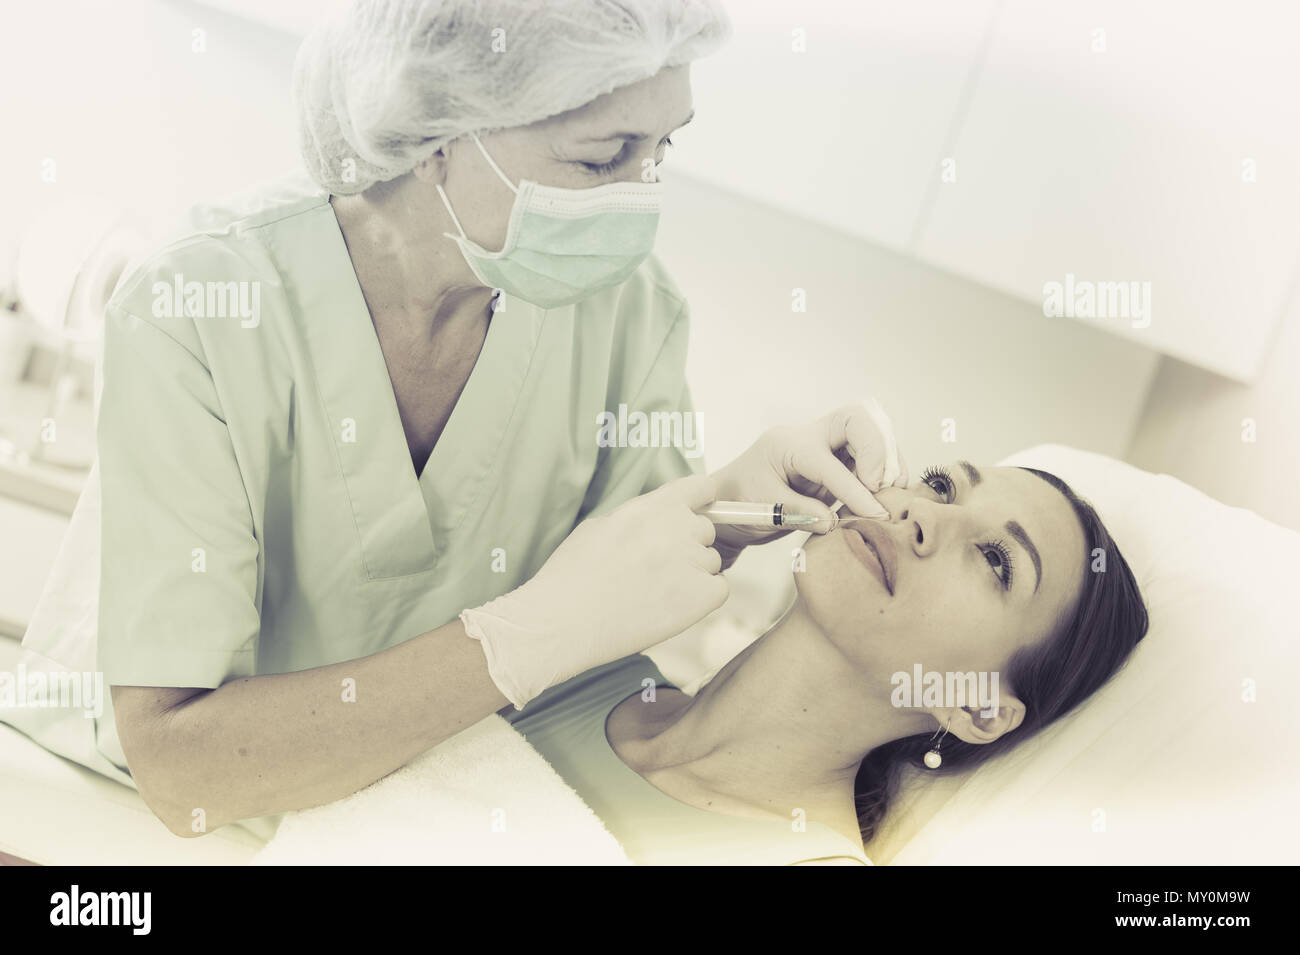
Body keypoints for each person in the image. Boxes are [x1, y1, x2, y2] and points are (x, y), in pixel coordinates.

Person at [9, 0, 908, 842]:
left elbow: (624, 607)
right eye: (603, 157)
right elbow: (181, 768)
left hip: (396, 824)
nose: (642, 195)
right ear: (437, 133)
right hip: (115, 820)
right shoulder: (200, 303)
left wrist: (736, 503)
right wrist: (517, 641)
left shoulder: (625, 311)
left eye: (662, 148)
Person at [501, 460, 1150, 864]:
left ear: (978, 706)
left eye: (995, 559)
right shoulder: (582, 660)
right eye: (943, 484)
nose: (921, 512)